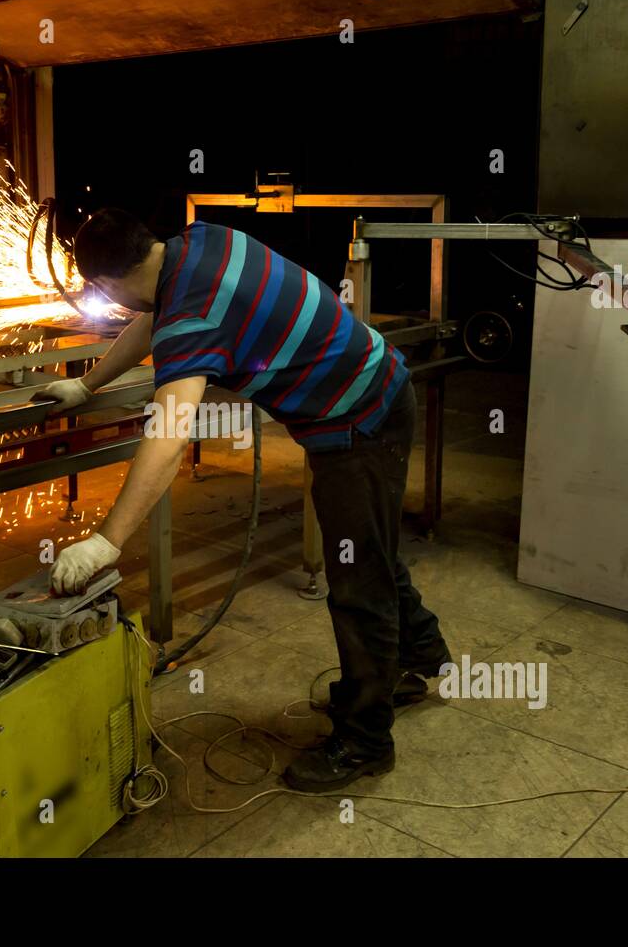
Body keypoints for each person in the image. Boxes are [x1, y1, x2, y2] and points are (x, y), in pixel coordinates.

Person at [39, 208, 450, 792]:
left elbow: (170, 432)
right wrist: (88, 383)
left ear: (107, 285)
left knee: (358, 580)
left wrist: (109, 539)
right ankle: (419, 657)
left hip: (360, 421)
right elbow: (154, 321)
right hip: (377, 390)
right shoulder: (201, 242)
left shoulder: (190, 319)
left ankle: (365, 741)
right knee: (372, 550)